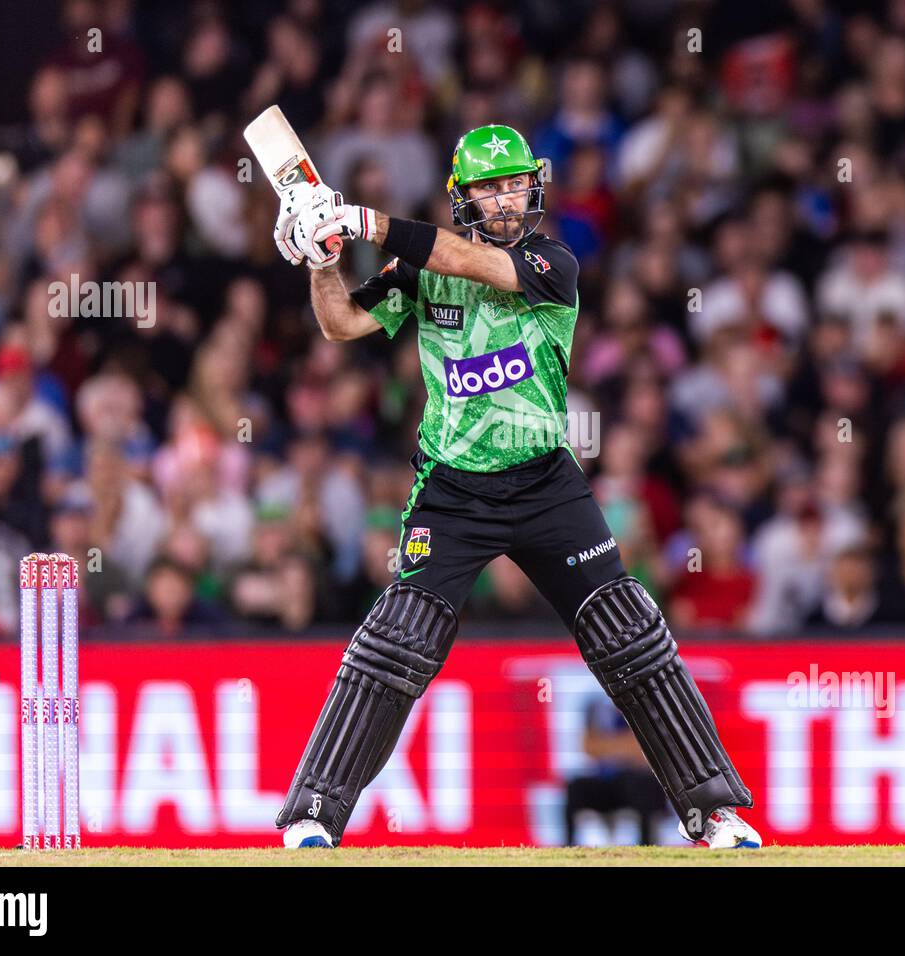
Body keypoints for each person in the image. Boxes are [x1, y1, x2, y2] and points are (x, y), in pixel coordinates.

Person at [267, 124, 758, 850]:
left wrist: (366, 221)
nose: (505, 198)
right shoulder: (418, 271)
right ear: (462, 197)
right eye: (488, 187)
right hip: (452, 490)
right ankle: (314, 813)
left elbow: (470, 263)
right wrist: (321, 257)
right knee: (400, 641)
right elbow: (340, 325)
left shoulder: (551, 260)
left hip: (545, 483)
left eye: (514, 183)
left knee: (628, 634)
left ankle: (715, 812)